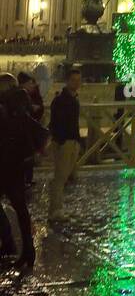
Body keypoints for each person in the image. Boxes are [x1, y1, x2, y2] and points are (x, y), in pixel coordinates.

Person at [0, 73, 45, 268]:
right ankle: (28, 249)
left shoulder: (6, 107)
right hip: (17, 163)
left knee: (18, 207)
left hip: (5, 163)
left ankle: (10, 242)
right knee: (20, 208)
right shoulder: (20, 104)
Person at [48, 65, 82, 223]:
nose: (76, 83)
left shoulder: (74, 99)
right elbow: (56, 122)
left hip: (71, 140)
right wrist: (60, 140)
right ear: (67, 81)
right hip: (64, 142)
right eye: (73, 80)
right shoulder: (61, 100)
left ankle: (57, 208)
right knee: (60, 177)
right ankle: (55, 210)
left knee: (64, 176)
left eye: (78, 80)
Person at [17, 72, 45, 184]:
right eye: (29, 83)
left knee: (29, 156)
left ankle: (28, 179)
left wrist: (37, 108)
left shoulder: (34, 93)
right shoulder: (17, 96)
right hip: (20, 132)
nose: (31, 85)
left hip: (31, 130)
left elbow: (41, 107)